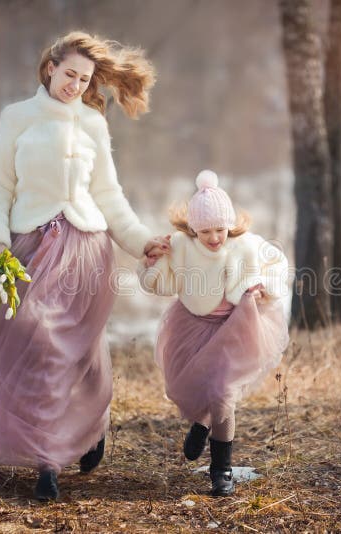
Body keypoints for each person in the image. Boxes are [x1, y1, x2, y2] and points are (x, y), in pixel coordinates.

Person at [0, 30, 168, 502]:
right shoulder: (17, 117)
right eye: (69, 74)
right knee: (40, 343)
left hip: (87, 250)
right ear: (51, 68)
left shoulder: (93, 123)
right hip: (29, 249)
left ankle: (62, 450)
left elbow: (109, 195)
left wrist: (140, 242)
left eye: (84, 79)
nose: (75, 85)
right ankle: (53, 448)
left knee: (79, 348)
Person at [138, 170, 290, 496]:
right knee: (186, 387)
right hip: (192, 325)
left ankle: (221, 469)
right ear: (193, 228)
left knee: (223, 393)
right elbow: (161, 283)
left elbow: (277, 264)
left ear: (229, 225)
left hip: (235, 326)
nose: (214, 238)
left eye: (220, 229)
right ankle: (201, 422)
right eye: (205, 231)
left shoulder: (246, 243)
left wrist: (266, 288)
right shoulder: (181, 246)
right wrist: (152, 265)